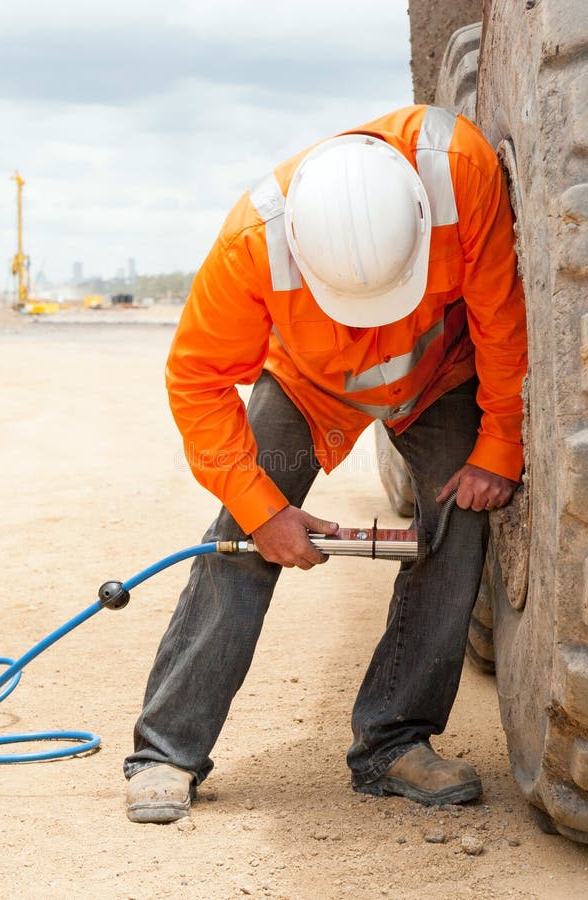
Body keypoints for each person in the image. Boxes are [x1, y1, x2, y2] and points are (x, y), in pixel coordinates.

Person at [124, 105, 527, 824]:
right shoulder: (252, 241)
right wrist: (264, 511)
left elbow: (502, 317)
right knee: (242, 540)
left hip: (438, 371)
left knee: (460, 517)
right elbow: (196, 380)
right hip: (311, 383)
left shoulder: (460, 172)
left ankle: (393, 743)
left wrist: (498, 445)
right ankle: (165, 752)